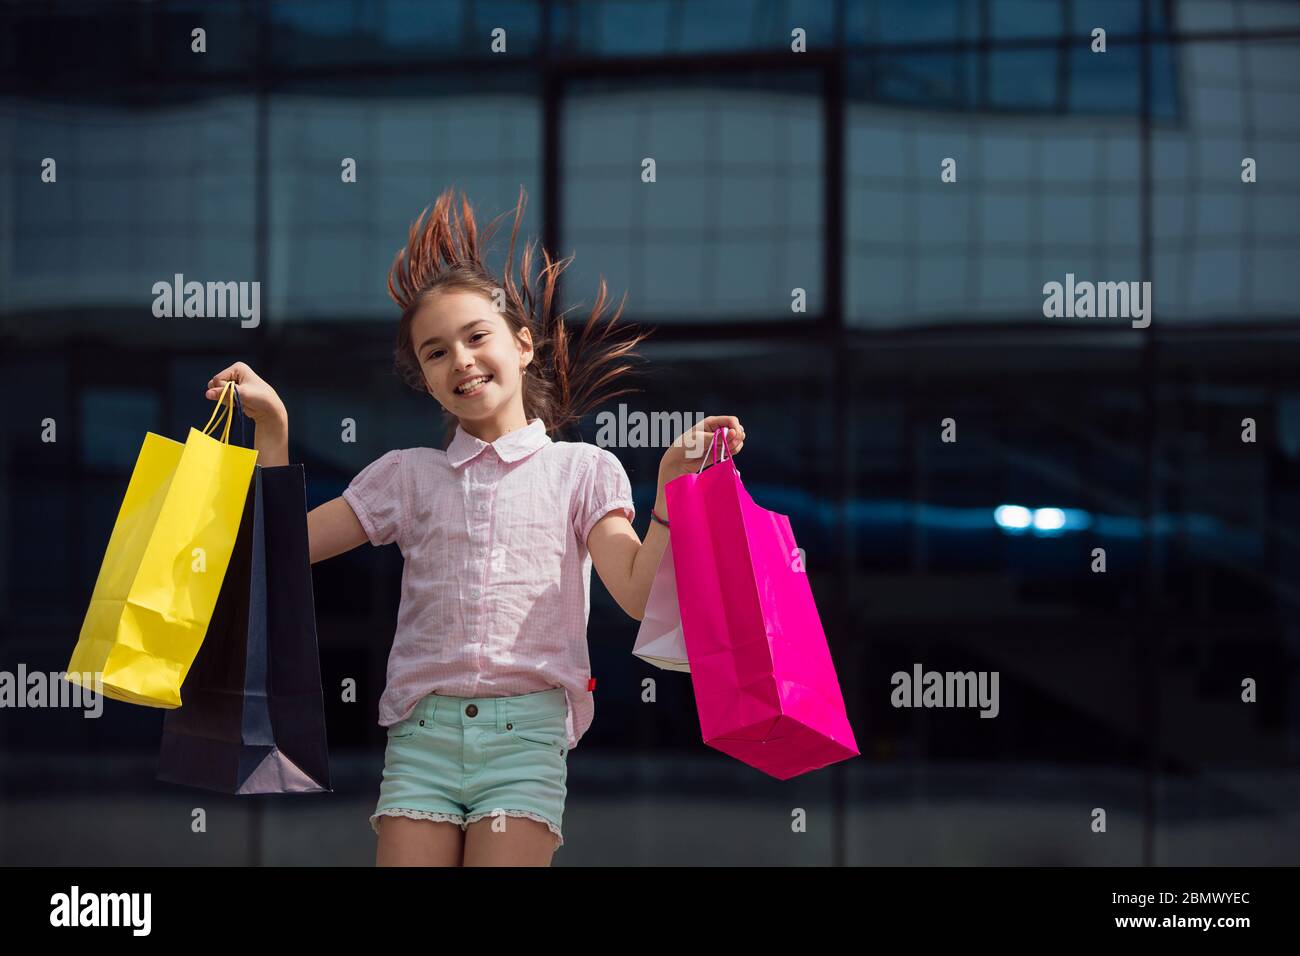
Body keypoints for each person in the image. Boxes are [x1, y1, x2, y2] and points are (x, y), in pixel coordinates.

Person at [203, 185, 745, 866]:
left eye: (476, 336)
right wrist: (274, 432)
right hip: (422, 738)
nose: (459, 359)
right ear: (424, 380)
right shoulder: (406, 475)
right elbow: (278, 553)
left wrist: (669, 487)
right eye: (435, 352)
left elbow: (638, 595)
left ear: (522, 345)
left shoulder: (584, 470)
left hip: (526, 737)